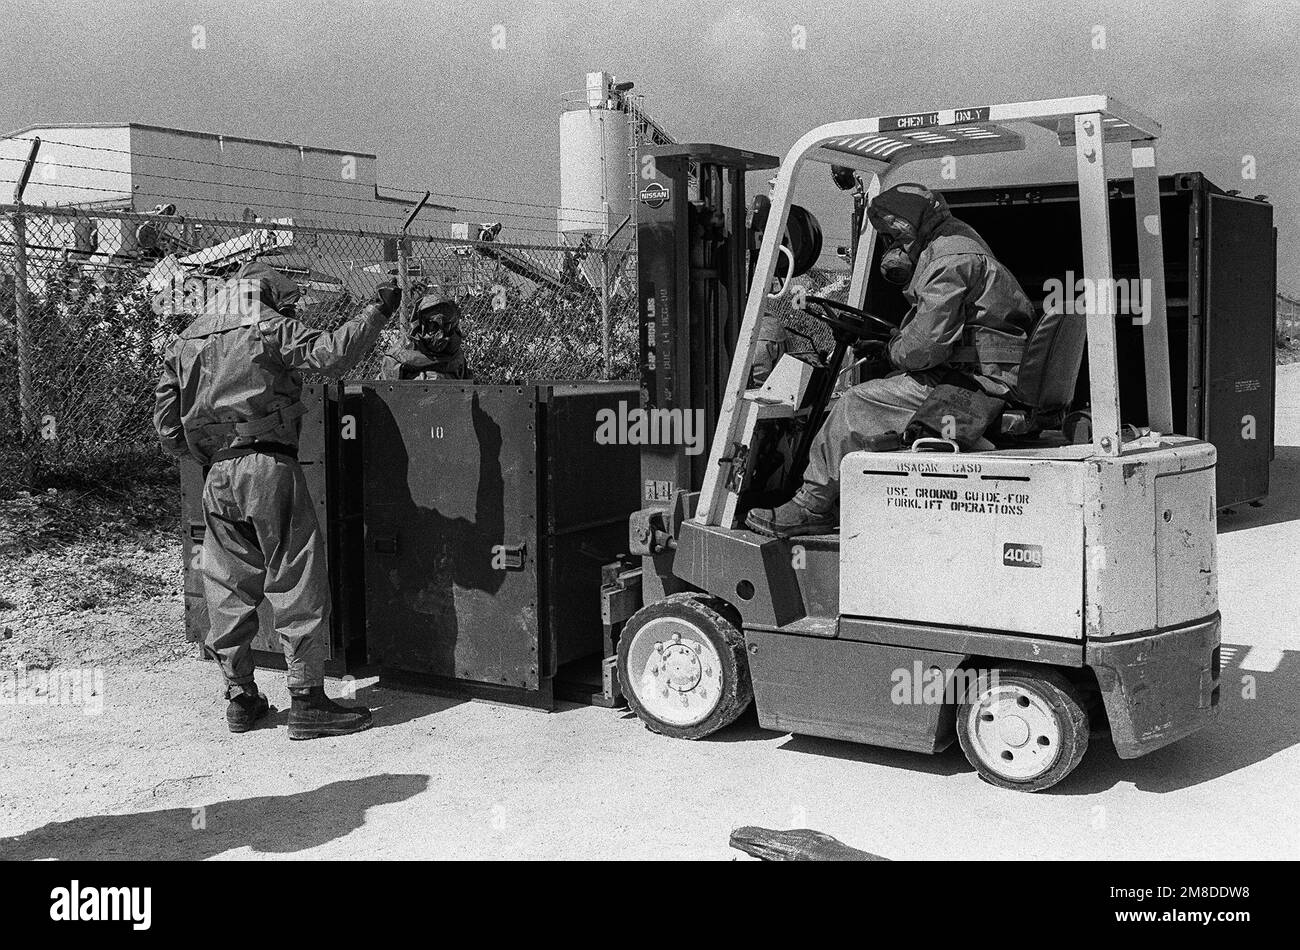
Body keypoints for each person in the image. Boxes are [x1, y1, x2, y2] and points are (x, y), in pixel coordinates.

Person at [153, 259, 400, 737]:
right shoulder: (267, 327)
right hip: (268, 466)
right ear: (266, 293)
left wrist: (212, 449)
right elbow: (330, 355)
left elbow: (166, 430)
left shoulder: (185, 342)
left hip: (216, 475)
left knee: (226, 585)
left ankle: (241, 697)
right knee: (295, 577)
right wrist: (377, 310)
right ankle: (307, 699)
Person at [746, 183, 1034, 538]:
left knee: (853, 403)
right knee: (876, 398)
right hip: (989, 378)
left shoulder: (948, 260)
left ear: (904, 226)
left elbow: (923, 348)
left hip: (975, 386)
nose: (891, 248)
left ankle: (811, 505)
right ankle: (843, 496)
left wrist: (892, 349)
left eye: (891, 236)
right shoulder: (959, 243)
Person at [380, 291, 472, 380]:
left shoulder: (454, 351)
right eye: (433, 326)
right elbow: (387, 391)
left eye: (446, 326)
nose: (440, 336)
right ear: (421, 324)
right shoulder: (399, 355)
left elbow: (468, 388)